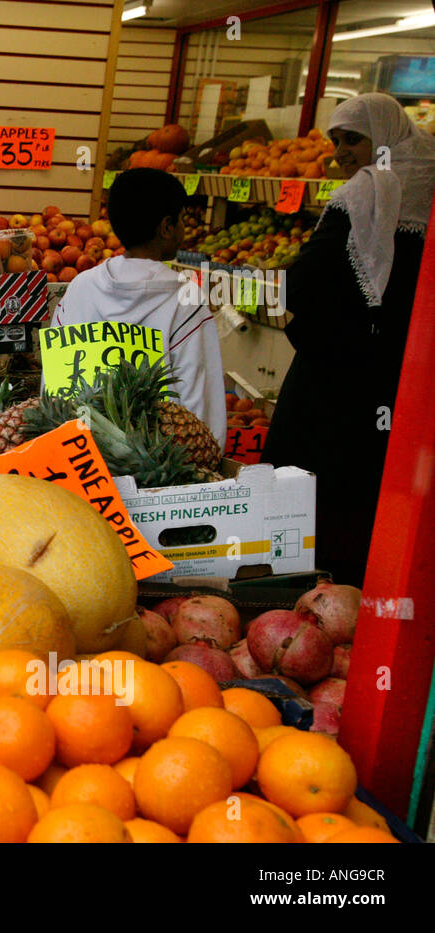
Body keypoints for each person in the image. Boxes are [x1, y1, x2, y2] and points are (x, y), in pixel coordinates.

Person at [262, 93, 435, 586]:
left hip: (340, 375)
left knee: (315, 485)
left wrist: (314, 335)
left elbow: (302, 284)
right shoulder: (428, 176)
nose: (340, 152)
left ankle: (312, 588)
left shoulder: (365, 192)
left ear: (383, 136)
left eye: (352, 139)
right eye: (334, 140)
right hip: (407, 367)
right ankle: (378, 583)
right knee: (385, 485)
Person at [50, 168, 226, 446]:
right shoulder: (185, 300)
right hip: (161, 463)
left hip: (81, 457)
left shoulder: (81, 287)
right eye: (181, 220)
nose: (183, 228)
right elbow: (200, 394)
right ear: (167, 227)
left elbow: (54, 384)